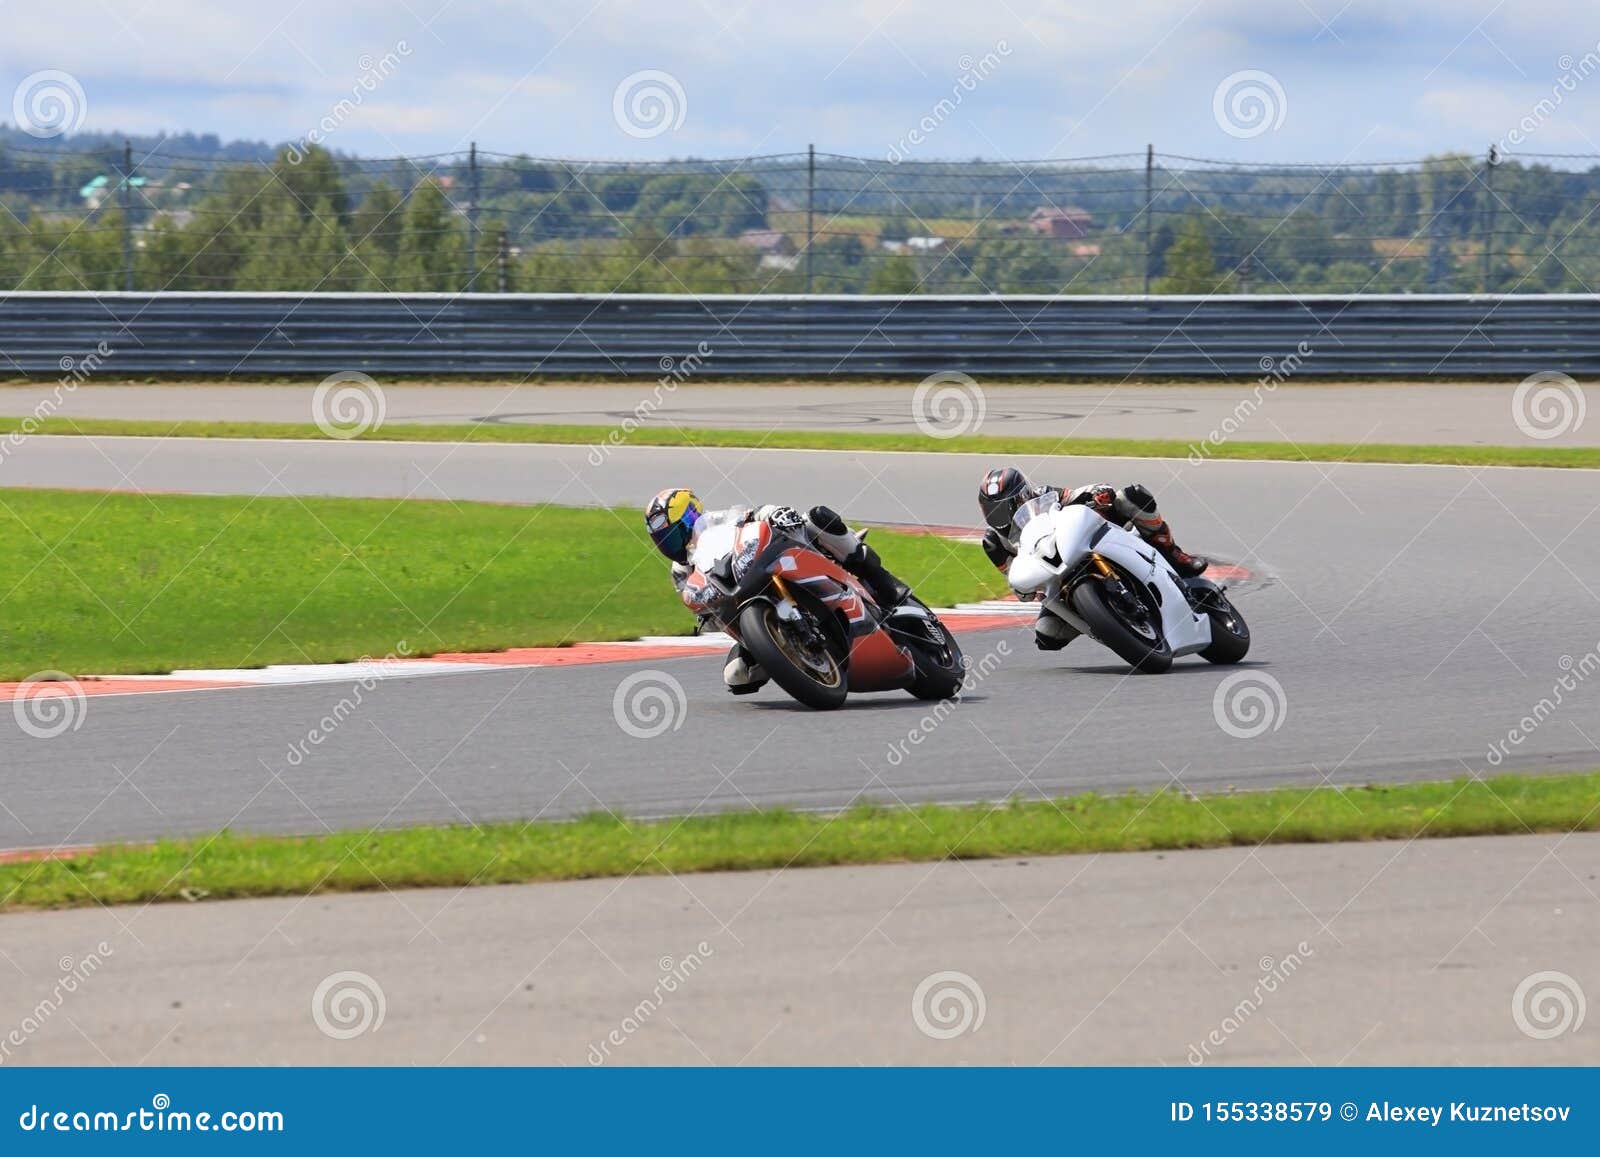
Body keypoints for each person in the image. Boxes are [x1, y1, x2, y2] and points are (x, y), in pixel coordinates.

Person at [645, 488, 913, 693]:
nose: (670, 543)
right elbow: (697, 603)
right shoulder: (680, 571)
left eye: (672, 534)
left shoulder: (717, 521)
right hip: (740, 607)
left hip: (770, 559)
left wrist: (777, 513)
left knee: (816, 518)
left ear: (690, 516)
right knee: (736, 676)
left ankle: (882, 580)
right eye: (663, 540)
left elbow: (755, 514)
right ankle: (789, 650)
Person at [976, 466, 1209, 651]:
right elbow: (1013, 576)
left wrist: (1098, 493)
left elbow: (1076, 495)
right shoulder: (994, 543)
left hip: (1084, 540)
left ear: (1023, 495)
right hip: (1058, 581)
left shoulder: (1044, 495)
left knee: (1131, 496)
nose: (999, 517)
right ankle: (1105, 623)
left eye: (1004, 508)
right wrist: (1026, 591)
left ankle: (1174, 554)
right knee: (1047, 633)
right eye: (992, 511)